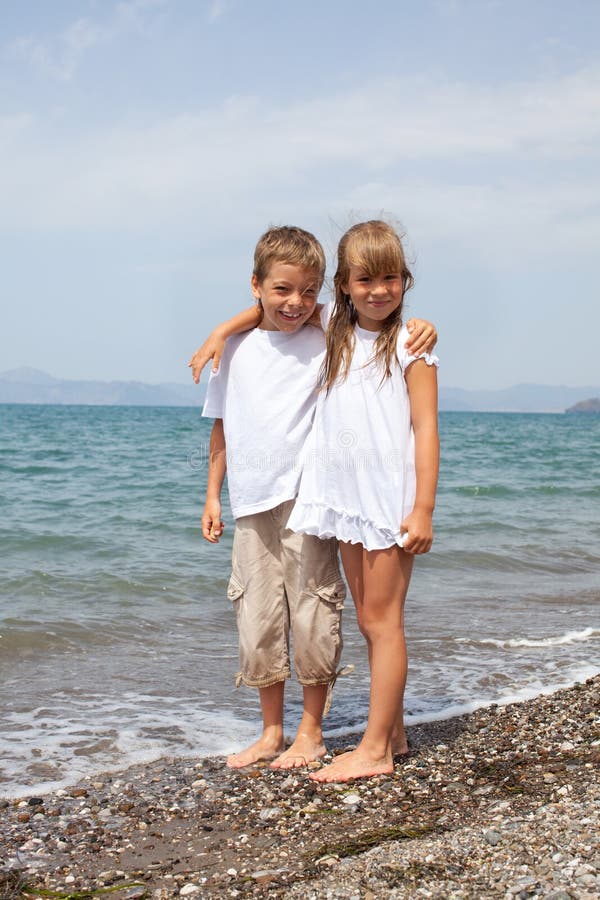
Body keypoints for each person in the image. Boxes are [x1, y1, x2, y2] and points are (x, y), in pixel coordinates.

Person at [192, 223, 438, 773]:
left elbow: (421, 415)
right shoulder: (266, 343)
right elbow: (224, 425)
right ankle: (300, 732)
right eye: (281, 291)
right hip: (291, 502)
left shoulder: (344, 331)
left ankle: (331, 738)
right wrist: (212, 495)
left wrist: (423, 506)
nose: (295, 303)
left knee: (333, 617)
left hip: (336, 497)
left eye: (308, 292)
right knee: (268, 618)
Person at [287, 219, 440, 782]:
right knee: (369, 617)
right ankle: (392, 733)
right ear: (344, 286)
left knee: (383, 622)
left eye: (391, 278)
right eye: (365, 279)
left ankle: (373, 751)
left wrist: (422, 507)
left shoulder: (410, 343)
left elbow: (426, 429)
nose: (379, 290)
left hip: (387, 502)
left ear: (406, 280)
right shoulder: (334, 328)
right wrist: (218, 334)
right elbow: (271, 310)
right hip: (346, 499)